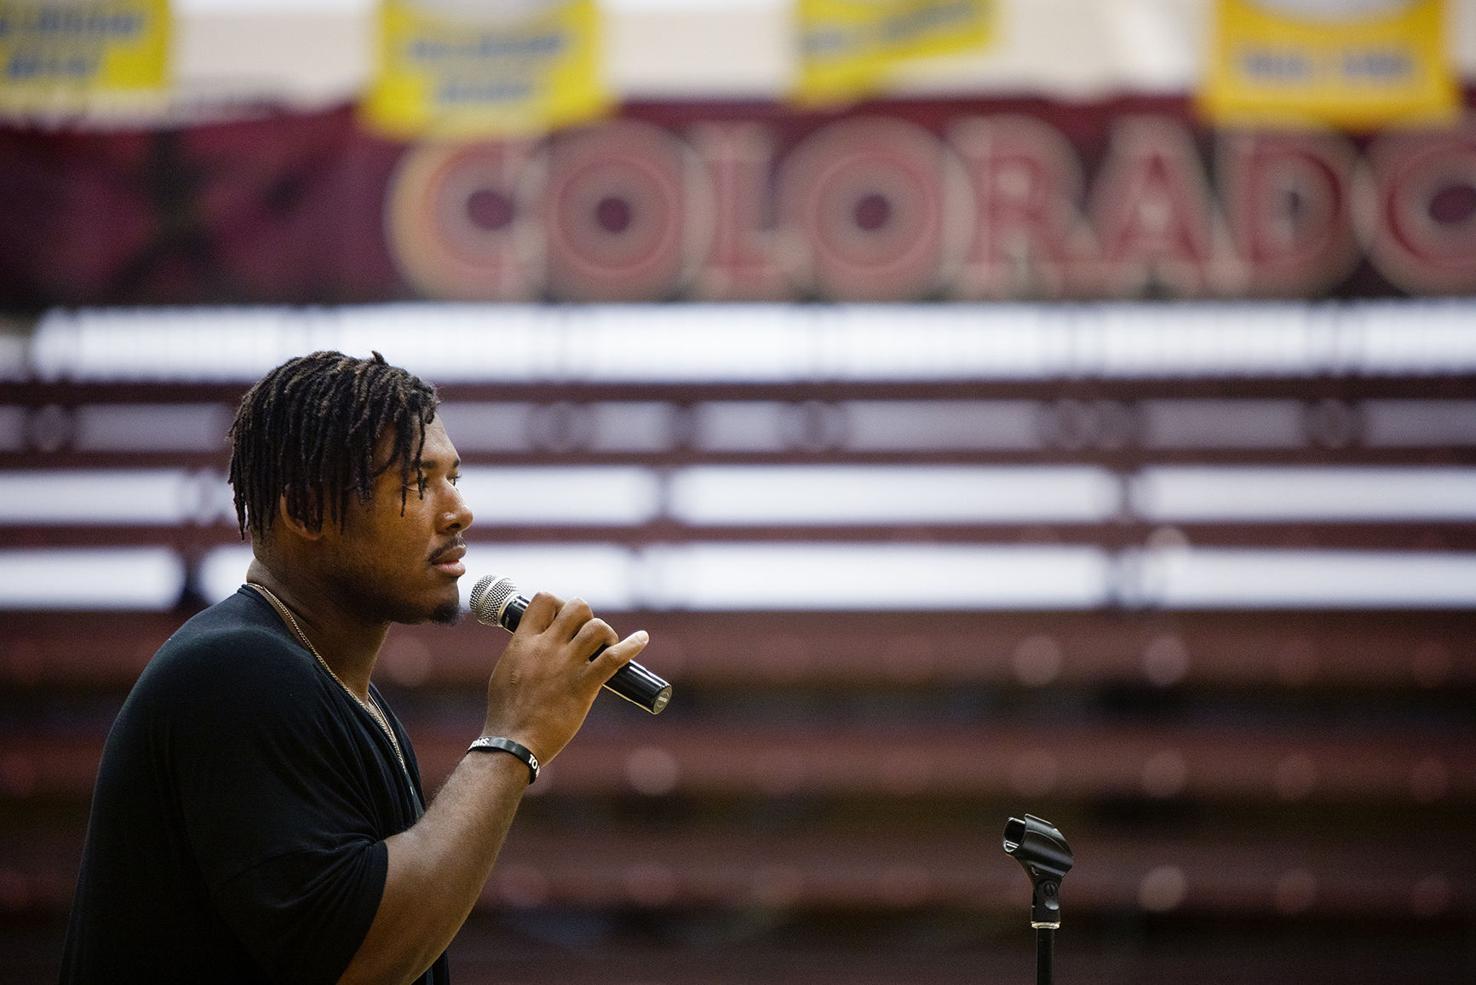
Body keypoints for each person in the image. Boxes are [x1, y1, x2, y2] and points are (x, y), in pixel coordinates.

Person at [59, 350, 649, 984]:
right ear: (307, 511)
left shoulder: (336, 690)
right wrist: (514, 739)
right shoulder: (234, 674)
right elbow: (354, 959)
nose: (458, 511)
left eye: (455, 477)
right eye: (418, 484)